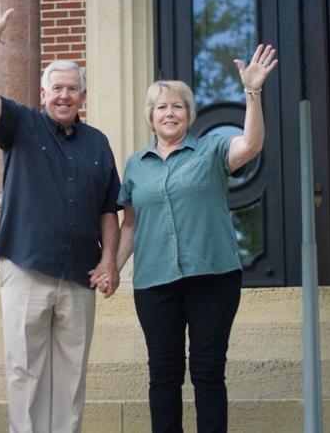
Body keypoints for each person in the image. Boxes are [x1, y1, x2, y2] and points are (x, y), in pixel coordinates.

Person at [93, 44, 278, 432]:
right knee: (163, 374)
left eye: (178, 106)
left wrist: (253, 93)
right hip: (155, 283)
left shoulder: (210, 150)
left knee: (209, 371)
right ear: (150, 117)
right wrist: (112, 267)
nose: (170, 113)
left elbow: (251, 145)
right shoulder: (135, 165)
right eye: (162, 107)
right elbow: (131, 223)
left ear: (189, 115)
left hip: (213, 277)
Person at [0, 0, 122, 433]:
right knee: (24, 369)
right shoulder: (21, 124)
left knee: (71, 376)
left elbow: (109, 210)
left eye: (72, 88)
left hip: (79, 273)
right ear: (43, 92)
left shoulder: (98, 143)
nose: (64, 95)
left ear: (83, 95)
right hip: (27, 265)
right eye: (56, 87)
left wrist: (110, 259)